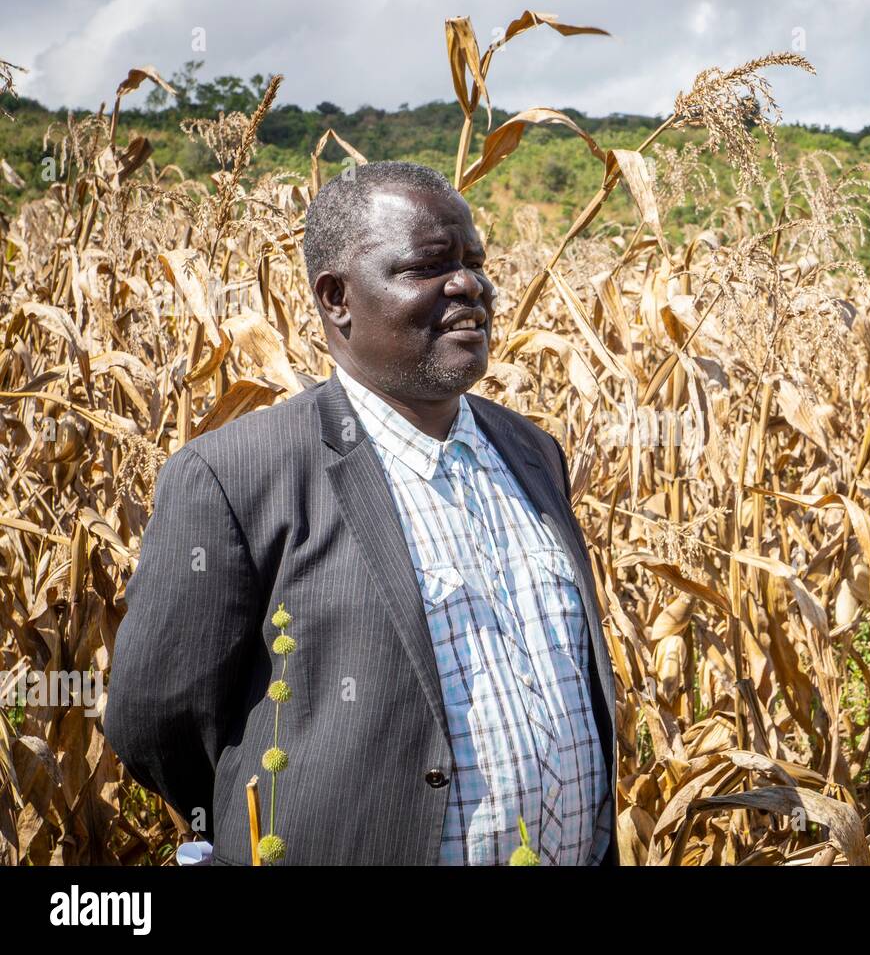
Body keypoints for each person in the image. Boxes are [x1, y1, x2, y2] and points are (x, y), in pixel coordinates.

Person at [104, 160, 617, 865]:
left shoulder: (532, 454)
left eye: (473, 262)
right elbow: (155, 721)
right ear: (336, 297)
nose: (469, 285)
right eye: (430, 265)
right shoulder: (237, 476)